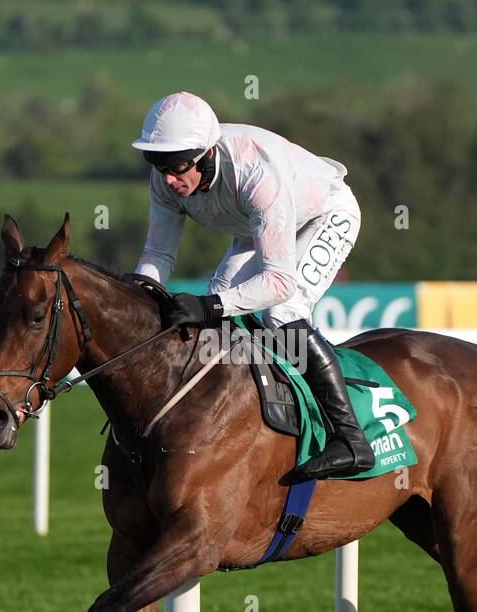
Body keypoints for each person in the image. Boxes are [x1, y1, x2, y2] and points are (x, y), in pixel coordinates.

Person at [131, 91, 375, 480]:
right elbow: (158, 256)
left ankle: (351, 440)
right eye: (157, 165)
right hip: (257, 227)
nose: (169, 180)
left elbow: (278, 282)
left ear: (207, 155)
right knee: (217, 305)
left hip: (323, 213)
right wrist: (138, 295)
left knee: (280, 313)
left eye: (177, 167)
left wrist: (208, 306)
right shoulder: (166, 180)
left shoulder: (255, 172)